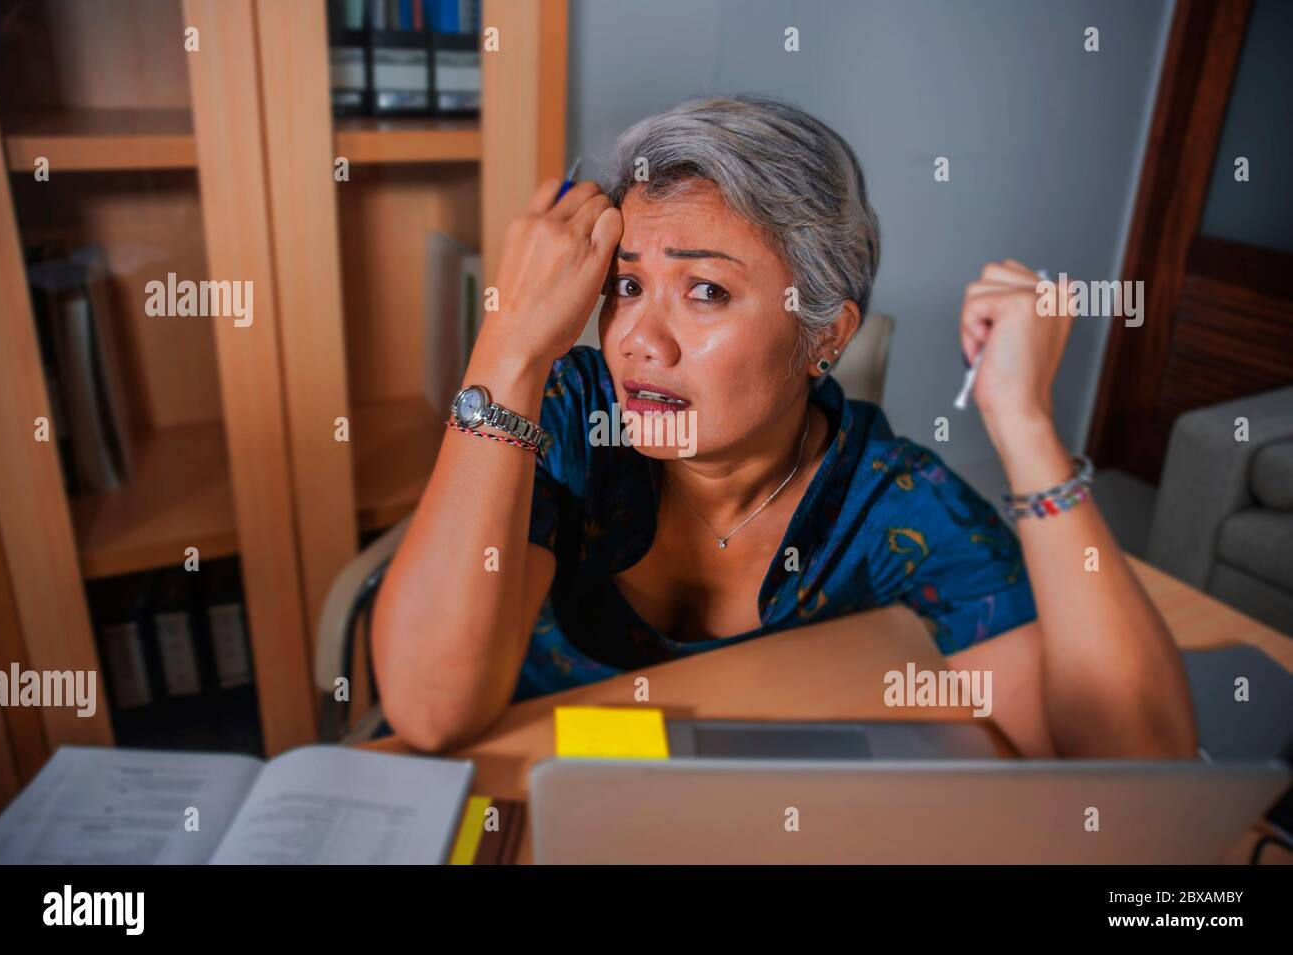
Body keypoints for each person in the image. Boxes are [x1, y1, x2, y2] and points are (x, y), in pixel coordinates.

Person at [372, 94, 1197, 759]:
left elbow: (1138, 769)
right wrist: (508, 346)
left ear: (827, 334)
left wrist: (1025, 424)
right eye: (625, 288)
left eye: (706, 291)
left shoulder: (889, 502)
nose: (638, 342)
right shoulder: (565, 417)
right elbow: (429, 714)